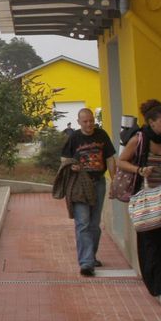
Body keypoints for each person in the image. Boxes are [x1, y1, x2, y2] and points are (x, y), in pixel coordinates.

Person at [116, 99, 161, 307]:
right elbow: (122, 161)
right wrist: (140, 170)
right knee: (151, 243)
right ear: (151, 122)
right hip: (146, 199)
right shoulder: (140, 139)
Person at [60, 108, 116, 277]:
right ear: (79, 122)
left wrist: (114, 181)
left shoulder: (102, 135)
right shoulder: (74, 137)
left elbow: (110, 159)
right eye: (85, 121)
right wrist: (72, 166)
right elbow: (64, 159)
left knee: (94, 224)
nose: (89, 124)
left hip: (98, 183)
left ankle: (91, 255)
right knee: (82, 223)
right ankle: (86, 262)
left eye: (91, 120)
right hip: (80, 185)